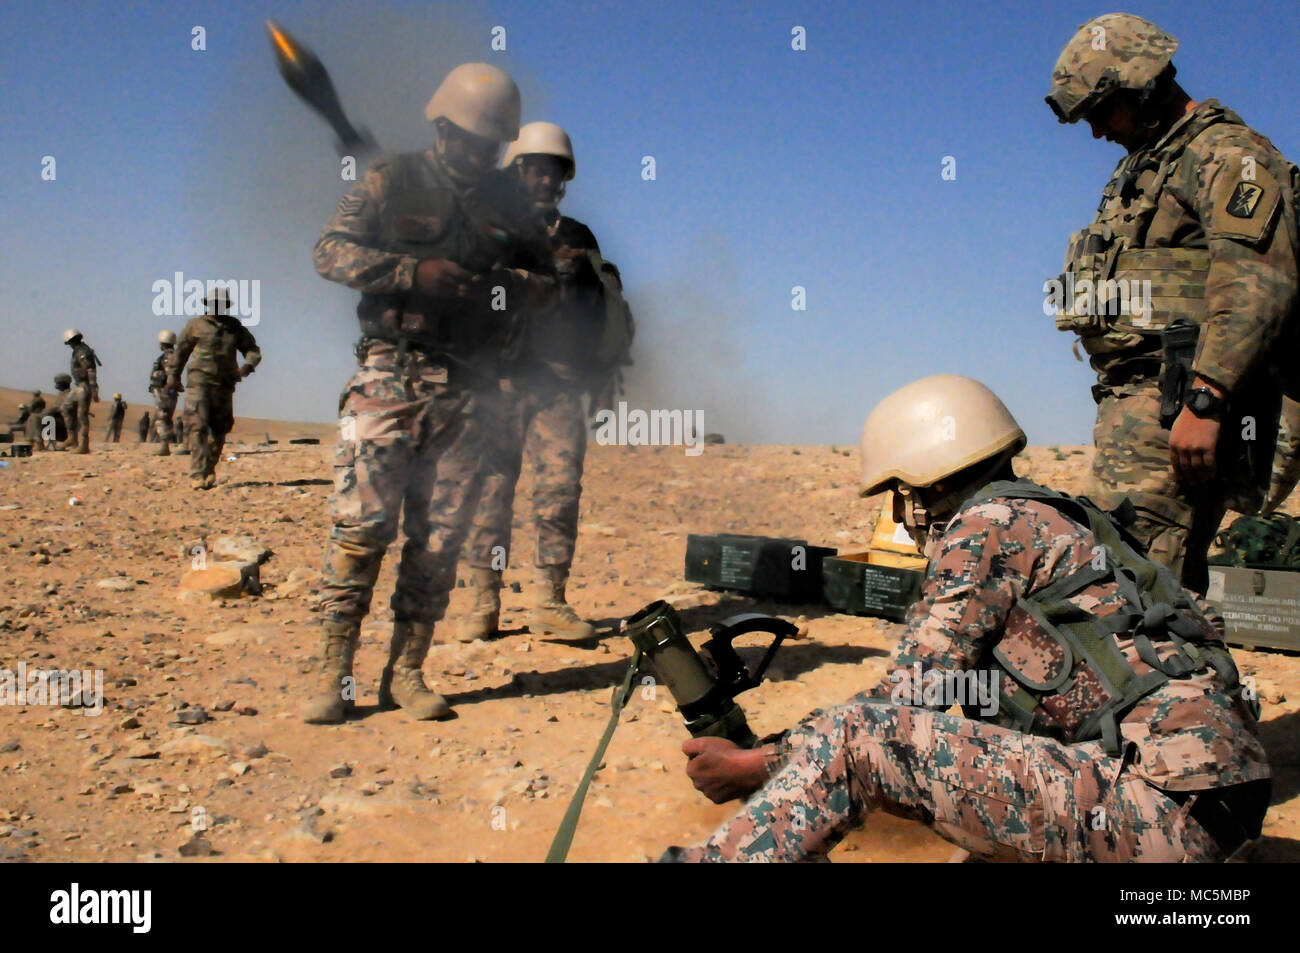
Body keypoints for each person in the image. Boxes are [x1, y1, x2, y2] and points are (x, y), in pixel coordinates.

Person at [662, 375, 1270, 863]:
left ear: (924, 483)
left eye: (898, 494)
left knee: (858, 738)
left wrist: (759, 763)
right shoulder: (1060, 518)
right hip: (1211, 805)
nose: (901, 515)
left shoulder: (985, 530)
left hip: (1160, 811)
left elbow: (902, 703)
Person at [301, 63, 555, 724]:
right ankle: (334, 673)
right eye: (470, 140)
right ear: (441, 125)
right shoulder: (392, 179)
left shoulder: (511, 204)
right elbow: (330, 252)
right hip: (390, 374)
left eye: (493, 145)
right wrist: (415, 272)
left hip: (470, 389)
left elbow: (548, 284)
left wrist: (504, 285)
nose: (480, 154)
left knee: (440, 544)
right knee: (361, 530)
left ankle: (407, 672)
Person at [1045, 13, 1299, 594]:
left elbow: (1259, 282)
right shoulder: (1148, 166)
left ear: (1144, 84)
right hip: (1138, 407)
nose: (1096, 131)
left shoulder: (1228, 154)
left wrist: (1206, 402)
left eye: (1102, 110)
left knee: (1134, 591)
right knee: (1134, 587)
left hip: (1180, 407)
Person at [458, 121, 628, 642]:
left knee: (558, 492)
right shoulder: (489, 231)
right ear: (517, 172)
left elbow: (603, 307)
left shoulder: (579, 238)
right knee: (490, 494)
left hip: (557, 385)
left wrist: (605, 373)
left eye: (553, 172)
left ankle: (549, 604)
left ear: (563, 180)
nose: (543, 180)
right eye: (533, 170)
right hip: (495, 383)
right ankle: (481, 605)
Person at [166, 289, 261, 489]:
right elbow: (181, 352)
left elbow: (252, 350)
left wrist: (247, 366)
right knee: (197, 426)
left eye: (221, 303)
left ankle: (209, 469)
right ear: (208, 304)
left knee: (220, 429)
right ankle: (198, 473)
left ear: (226, 306)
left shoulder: (233, 327)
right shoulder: (195, 326)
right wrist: (173, 377)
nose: (217, 306)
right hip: (199, 382)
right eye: (214, 303)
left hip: (225, 385)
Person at [63, 329, 100, 455]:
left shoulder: (82, 352)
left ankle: (84, 444)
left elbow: (90, 370)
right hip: (78, 386)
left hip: (85, 386)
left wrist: (94, 389)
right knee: (67, 407)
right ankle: (72, 438)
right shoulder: (77, 351)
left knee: (82, 416)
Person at [150, 329, 180, 455]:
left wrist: (167, 387)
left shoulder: (167, 357)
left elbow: (170, 373)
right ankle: (165, 445)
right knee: (166, 418)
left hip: (164, 391)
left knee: (161, 419)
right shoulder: (175, 355)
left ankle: (164, 446)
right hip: (170, 391)